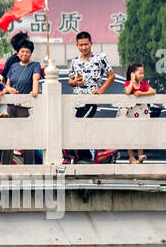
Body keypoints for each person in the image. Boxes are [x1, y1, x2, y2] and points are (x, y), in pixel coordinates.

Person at [65, 31, 114, 163]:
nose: (83, 47)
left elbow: (111, 76)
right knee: (75, 125)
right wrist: (75, 82)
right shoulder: (75, 61)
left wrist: (101, 89)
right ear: (77, 45)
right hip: (76, 100)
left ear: (91, 44)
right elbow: (69, 80)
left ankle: (84, 156)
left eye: (86, 44)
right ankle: (78, 155)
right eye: (81, 45)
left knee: (79, 124)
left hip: (91, 100)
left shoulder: (99, 59)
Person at [122, 62, 155, 164]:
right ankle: (131, 157)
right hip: (131, 113)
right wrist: (132, 81)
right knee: (130, 134)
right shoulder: (128, 83)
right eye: (140, 73)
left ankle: (140, 155)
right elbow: (128, 92)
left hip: (141, 112)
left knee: (141, 133)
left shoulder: (144, 84)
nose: (142, 75)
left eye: (143, 73)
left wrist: (141, 93)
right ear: (133, 73)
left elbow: (153, 91)